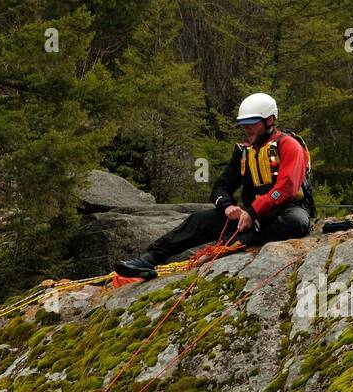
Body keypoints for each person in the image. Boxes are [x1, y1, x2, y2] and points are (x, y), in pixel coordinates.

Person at [114, 93, 316, 280]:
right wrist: (227, 206)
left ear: (269, 120)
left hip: (285, 210)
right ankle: (148, 259)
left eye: (251, 123)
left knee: (295, 222)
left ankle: (242, 241)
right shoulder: (244, 151)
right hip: (252, 217)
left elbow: (287, 187)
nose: (246, 129)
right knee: (198, 220)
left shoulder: (289, 145)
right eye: (243, 124)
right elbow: (221, 187)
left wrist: (253, 211)